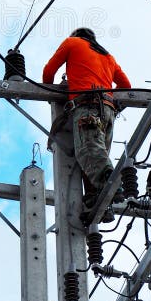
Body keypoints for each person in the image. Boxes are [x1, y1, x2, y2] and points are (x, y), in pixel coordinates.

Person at [43, 28, 131, 218]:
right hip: (108, 110)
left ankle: (111, 186)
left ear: (77, 36)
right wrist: (111, 104)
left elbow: (49, 71)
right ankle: (96, 202)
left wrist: (47, 93)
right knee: (94, 156)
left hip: (87, 105)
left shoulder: (72, 43)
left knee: (88, 151)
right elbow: (126, 86)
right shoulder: (108, 56)